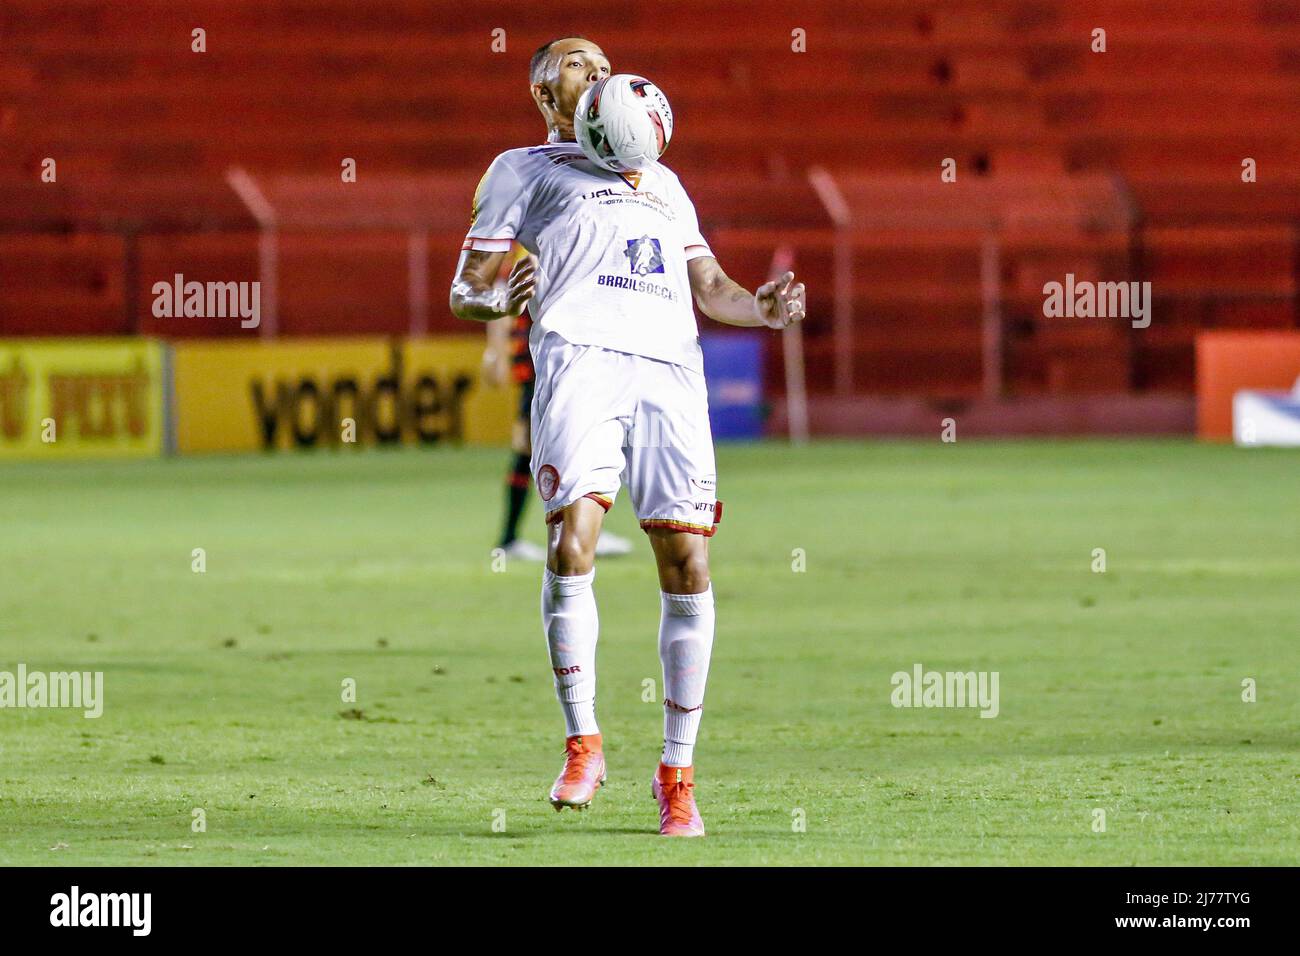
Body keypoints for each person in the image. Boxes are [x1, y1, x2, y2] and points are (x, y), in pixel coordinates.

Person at [450, 37, 805, 837]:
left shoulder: (666, 182)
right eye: (576, 62)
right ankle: (584, 743)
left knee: (688, 560)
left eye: (603, 61)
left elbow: (710, 287)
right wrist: (500, 299)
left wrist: (765, 307)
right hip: (580, 362)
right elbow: (465, 289)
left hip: (671, 376)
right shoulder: (521, 169)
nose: (596, 69)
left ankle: (677, 774)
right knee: (572, 540)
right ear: (545, 92)